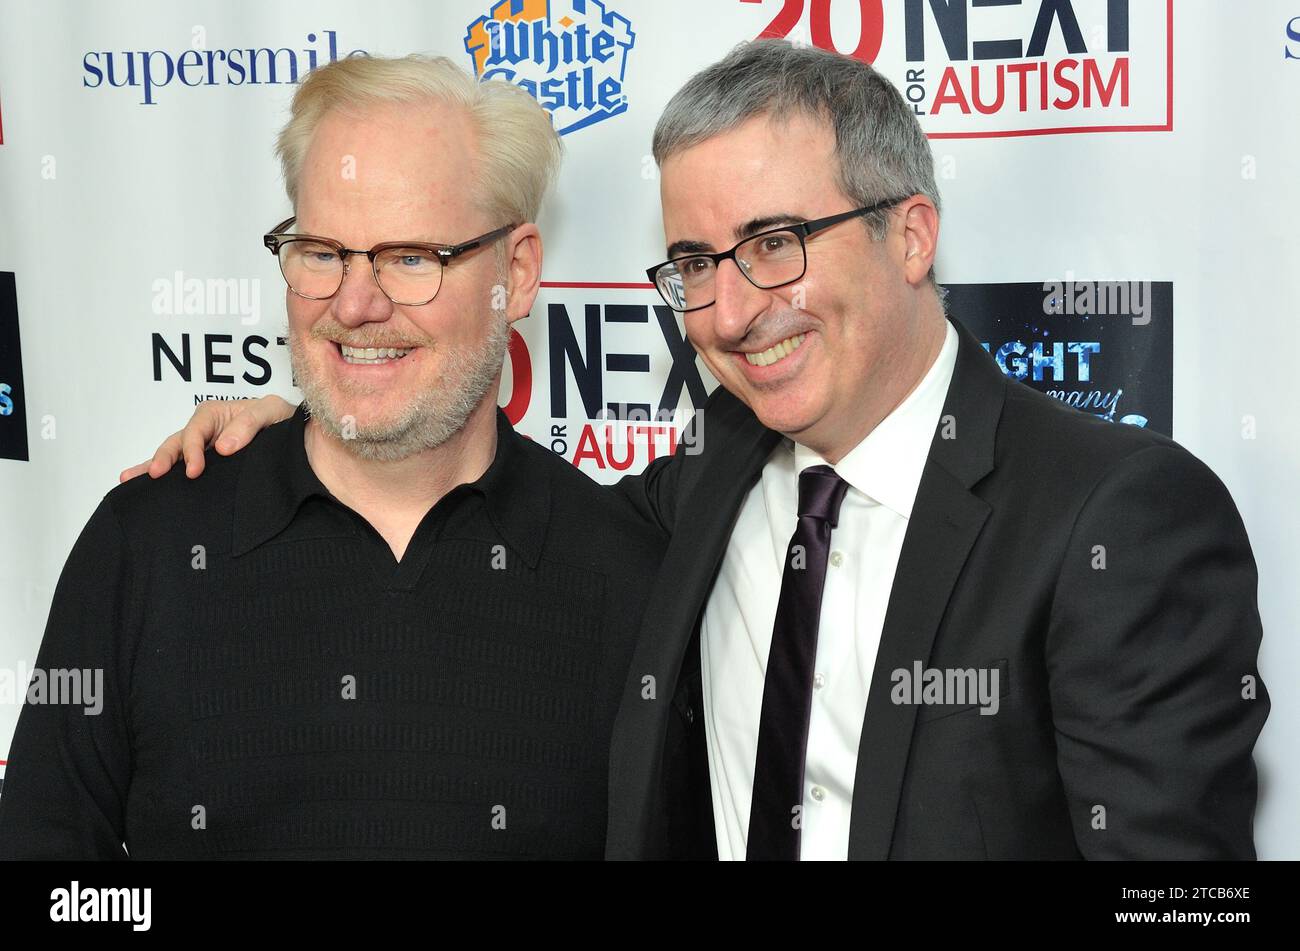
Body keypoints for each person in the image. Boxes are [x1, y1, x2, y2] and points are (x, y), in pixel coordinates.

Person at [123, 41, 1270, 861]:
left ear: (909, 233)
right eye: (695, 263)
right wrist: (308, 424)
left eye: (773, 244)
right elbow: (491, 494)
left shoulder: (1113, 516)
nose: (731, 309)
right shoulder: (701, 486)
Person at [0, 54, 666, 860]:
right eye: (321, 251)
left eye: (412, 257)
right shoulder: (147, 543)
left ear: (516, 272)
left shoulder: (631, 576)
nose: (355, 304)